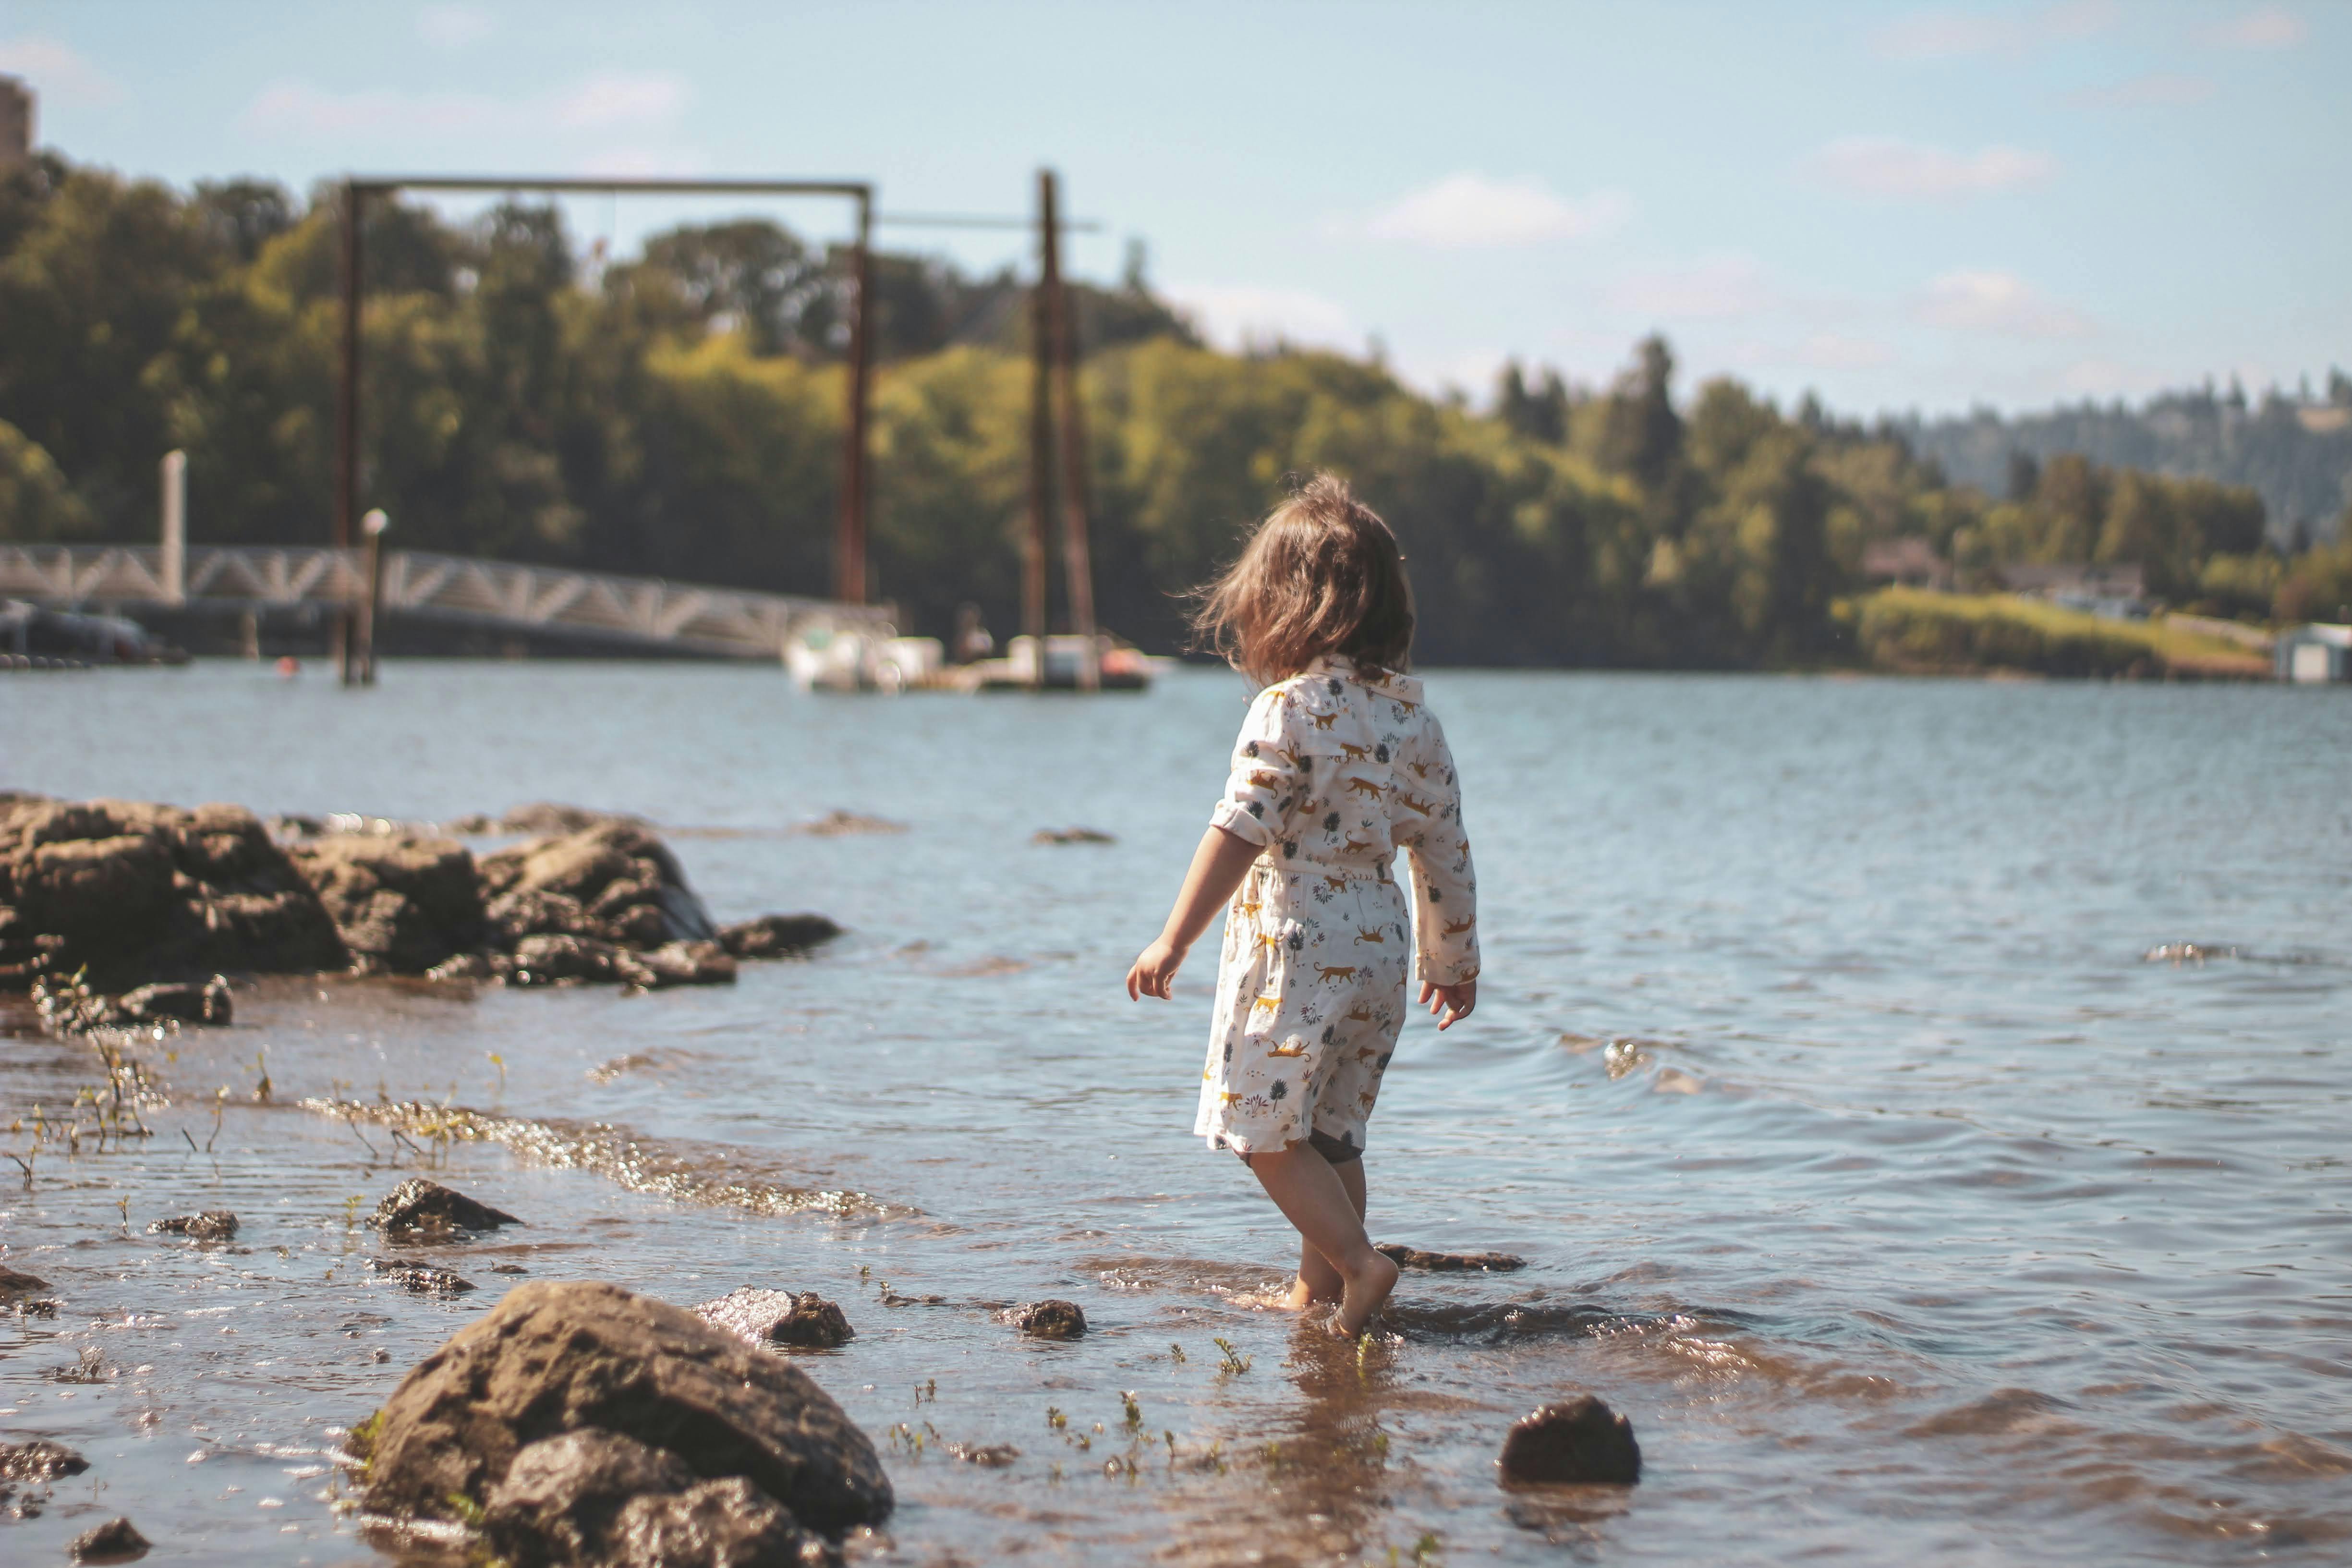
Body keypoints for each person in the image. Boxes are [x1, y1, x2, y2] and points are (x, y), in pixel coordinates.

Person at [1126, 474, 1479, 1337]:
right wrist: (1454, 962)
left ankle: (1361, 1265)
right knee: (1331, 1132)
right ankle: (1321, 1296)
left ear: (1280, 607)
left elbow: (1238, 828)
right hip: (1380, 943)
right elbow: (1443, 847)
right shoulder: (1414, 723)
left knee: (1258, 1125)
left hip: (1297, 941)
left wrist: (1173, 938)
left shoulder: (1286, 710)